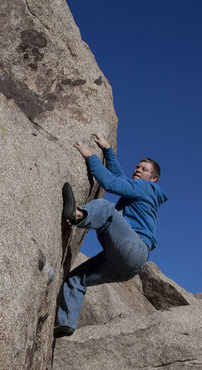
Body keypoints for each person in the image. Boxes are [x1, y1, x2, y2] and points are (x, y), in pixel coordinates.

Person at [54, 133, 168, 338]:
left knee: (106, 209)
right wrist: (107, 151)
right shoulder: (138, 190)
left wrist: (91, 156)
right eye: (137, 166)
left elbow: (112, 185)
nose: (138, 169)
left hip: (135, 246)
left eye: (144, 169)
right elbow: (121, 181)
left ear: (153, 178)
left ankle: (78, 215)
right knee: (76, 279)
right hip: (125, 265)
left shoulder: (148, 188)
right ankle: (65, 326)